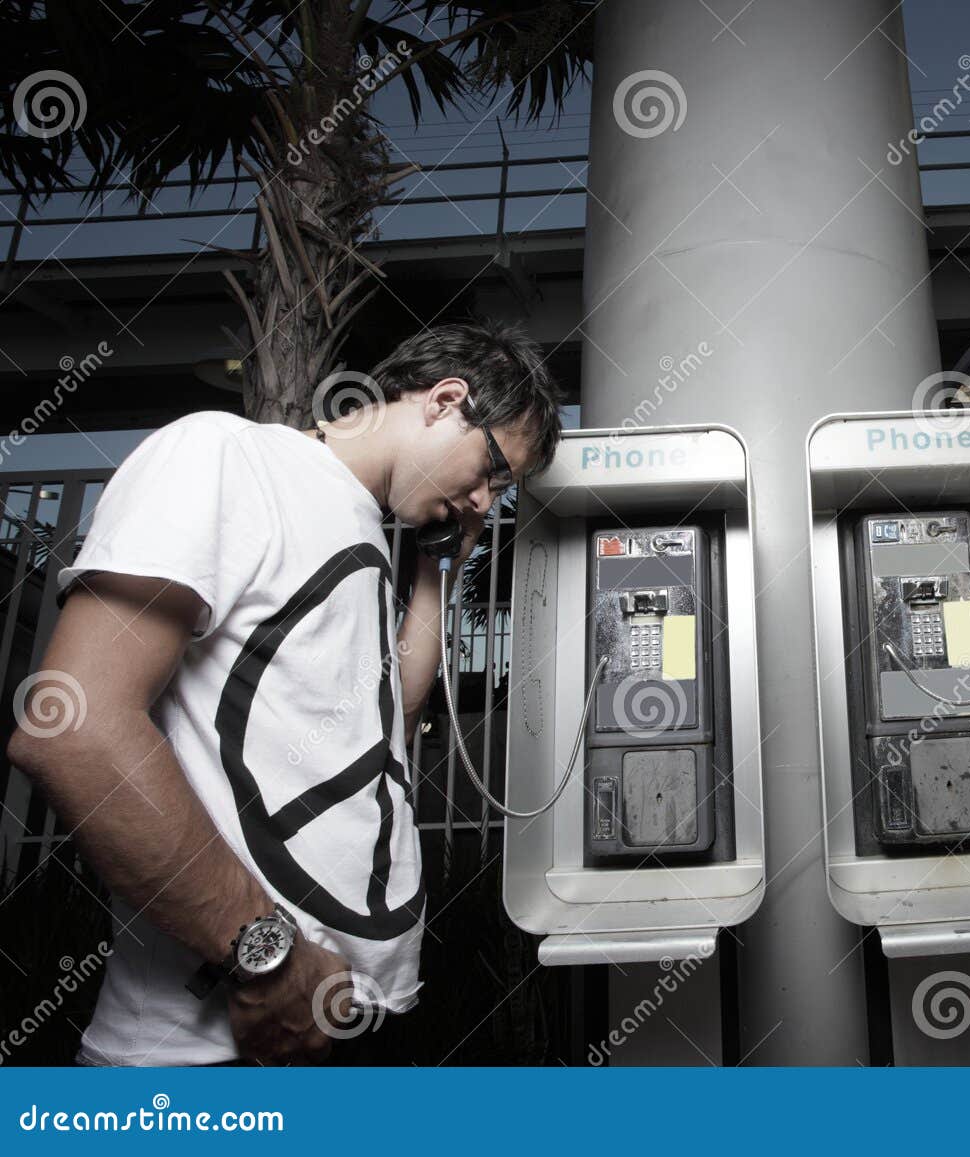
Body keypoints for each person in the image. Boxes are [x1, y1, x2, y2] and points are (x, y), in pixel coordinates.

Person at [7, 320, 561, 1065]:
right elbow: (75, 728)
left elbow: (386, 723)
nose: (484, 502)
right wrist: (267, 957)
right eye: (492, 471)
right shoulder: (229, 457)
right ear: (444, 400)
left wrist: (440, 568)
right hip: (210, 1046)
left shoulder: (363, 532)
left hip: (327, 1026)